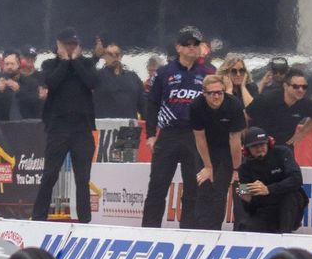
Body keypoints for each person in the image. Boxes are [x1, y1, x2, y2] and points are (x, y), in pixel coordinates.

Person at [141, 27, 211, 228]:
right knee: (157, 186)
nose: (192, 48)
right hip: (169, 135)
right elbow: (152, 104)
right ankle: (149, 231)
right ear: (178, 47)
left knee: (193, 188)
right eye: (187, 44)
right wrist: (151, 134)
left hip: (195, 136)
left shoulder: (207, 73)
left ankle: (188, 231)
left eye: (196, 44)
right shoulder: (164, 73)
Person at [31, 29, 97, 223]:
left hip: (82, 130)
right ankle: (38, 217)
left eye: (73, 44)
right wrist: (65, 61)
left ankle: (85, 220)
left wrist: (75, 61)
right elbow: (51, 82)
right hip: (58, 128)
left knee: (82, 178)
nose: (70, 48)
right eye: (66, 44)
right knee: (50, 174)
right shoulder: (49, 64)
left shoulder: (86, 64)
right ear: (59, 45)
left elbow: (92, 82)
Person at [188, 73, 245, 230]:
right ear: (204, 94)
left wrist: (236, 169)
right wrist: (208, 166)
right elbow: (199, 138)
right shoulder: (196, 106)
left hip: (230, 150)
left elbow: (235, 140)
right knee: (205, 186)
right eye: (211, 93)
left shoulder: (234, 104)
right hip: (207, 148)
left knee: (232, 189)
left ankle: (240, 229)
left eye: (219, 92)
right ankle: (204, 229)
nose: (216, 97)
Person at [233, 126, 307, 234]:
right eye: (254, 146)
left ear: (269, 143)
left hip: (288, 204)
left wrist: (268, 189)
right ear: (247, 150)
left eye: (262, 145)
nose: (259, 149)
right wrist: (246, 196)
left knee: (290, 197)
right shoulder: (245, 168)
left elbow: (296, 179)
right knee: (244, 227)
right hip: (265, 208)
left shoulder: (282, 153)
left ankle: (285, 235)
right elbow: (244, 194)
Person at [247, 67, 312, 151]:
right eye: (295, 86)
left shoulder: (305, 103)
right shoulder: (266, 99)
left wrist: (300, 134)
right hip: (260, 146)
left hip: (285, 146)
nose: (300, 90)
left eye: (304, 87)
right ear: (285, 86)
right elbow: (245, 116)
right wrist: (246, 140)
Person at [94, 41, 145, 119]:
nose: (114, 57)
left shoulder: (133, 77)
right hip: (105, 126)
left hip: (129, 126)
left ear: (121, 56)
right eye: (110, 54)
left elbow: (142, 103)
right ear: (104, 57)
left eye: (117, 54)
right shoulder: (98, 76)